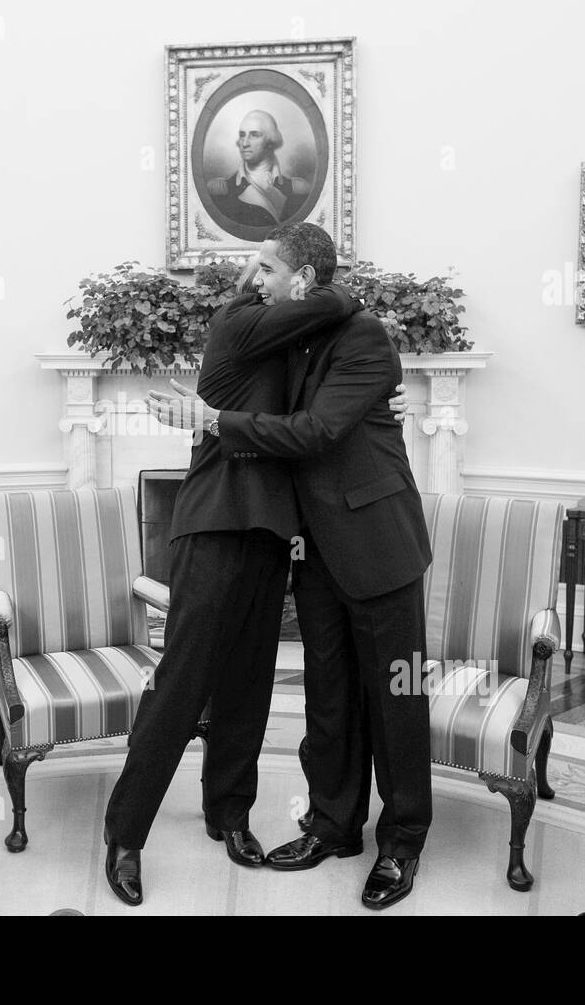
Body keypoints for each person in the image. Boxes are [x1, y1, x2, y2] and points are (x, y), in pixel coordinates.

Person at [102, 243, 405, 908]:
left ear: (297, 276)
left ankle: (230, 813)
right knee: (182, 682)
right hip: (212, 521)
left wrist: (380, 394)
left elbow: (322, 422)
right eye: (254, 268)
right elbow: (334, 298)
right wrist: (296, 282)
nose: (252, 277)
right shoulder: (240, 320)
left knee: (247, 685)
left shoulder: (304, 343)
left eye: (266, 267)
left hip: (273, 532)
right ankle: (124, 835)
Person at [206, 110, 311, 228]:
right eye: (242, 135)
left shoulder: (297, 189)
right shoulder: (220, 191)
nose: (244, 143)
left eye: (254, 135)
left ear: (270, 141)